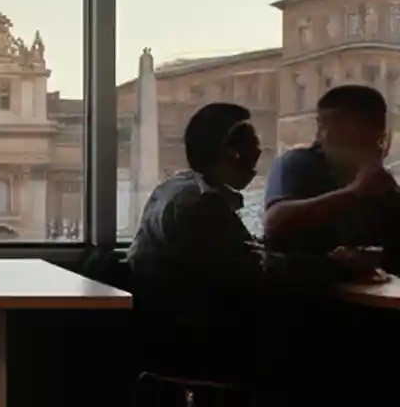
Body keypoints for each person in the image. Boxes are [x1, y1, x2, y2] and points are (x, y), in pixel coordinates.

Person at [127, 103, 370, 391]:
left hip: (173, 340)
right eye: (254, 144)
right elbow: (255, 271)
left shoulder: (173, 190)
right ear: (232, 152)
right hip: (206, 349)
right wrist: (335, 265)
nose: (260, 153)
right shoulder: (200, 207)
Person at [264, 85, 399, 264]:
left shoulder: (381, 186)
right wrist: (354, 192)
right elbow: (274, 223)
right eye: (322, 127)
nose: (321, 137)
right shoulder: (299, 164)